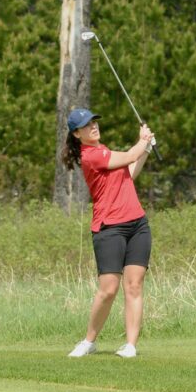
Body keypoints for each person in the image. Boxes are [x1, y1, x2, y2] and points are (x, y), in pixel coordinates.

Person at [64, 107, 156, 360]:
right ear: (76, 134)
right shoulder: (91, 156)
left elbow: (129, 172)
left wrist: (146, 149)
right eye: (86, 125)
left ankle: (130, 345)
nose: (93, 126)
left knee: (134, 285)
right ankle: (89, 341)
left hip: (137, 224)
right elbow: (129, 155)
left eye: (94, 122)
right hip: (110, 228)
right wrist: (143, 140)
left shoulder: (105, 152)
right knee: (109, 289)